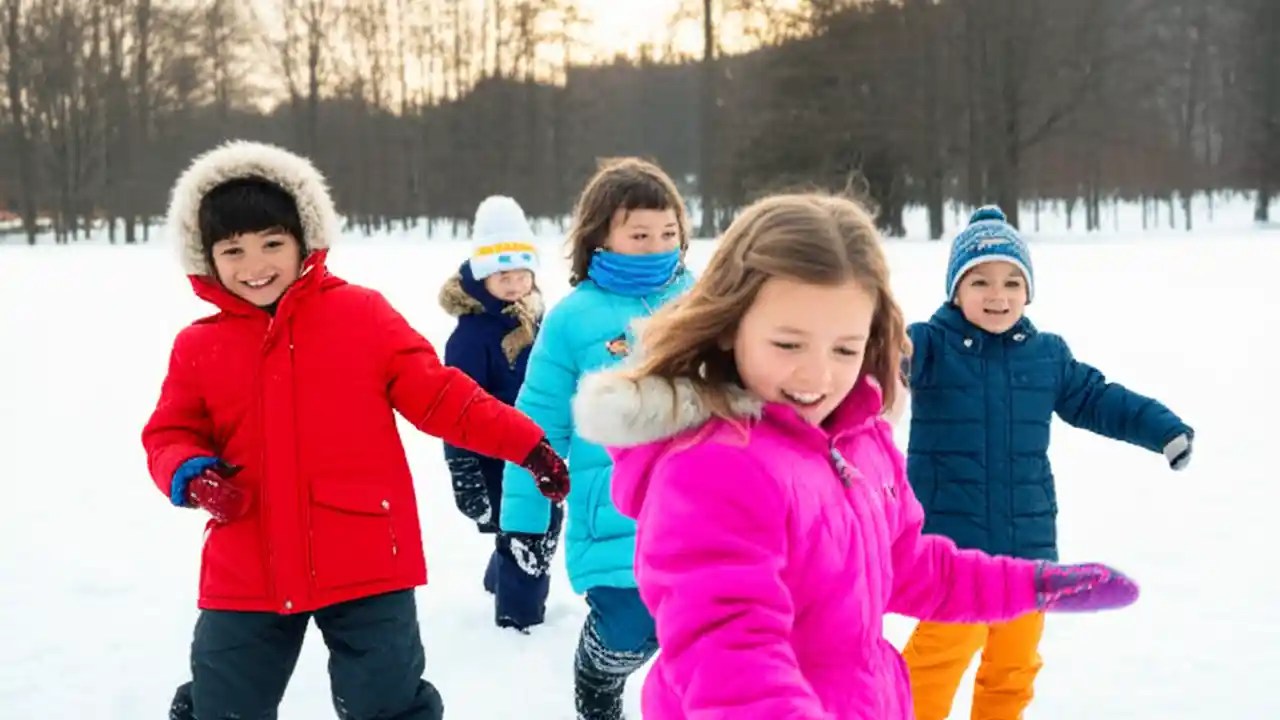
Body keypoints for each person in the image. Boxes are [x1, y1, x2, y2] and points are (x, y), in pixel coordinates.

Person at [570, 193, 1139, 719]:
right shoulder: (710, 470)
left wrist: (1030, 584)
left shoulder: (859, 441)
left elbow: (910, 567)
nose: (817, 376)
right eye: (788, 343)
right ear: (729, 327)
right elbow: (730, 657)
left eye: (845, 348)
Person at [141, 140, 568, 720]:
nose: (254, 265)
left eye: (272, 243)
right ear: (206, 257)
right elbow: (170, 433)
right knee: (224, 703)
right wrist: (190, 473)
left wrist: (527, 444)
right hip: (247, 559)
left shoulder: (360, 316)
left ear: (304, 240)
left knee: (385, 702)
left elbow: (442, 395)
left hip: (366, 553)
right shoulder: (199, 346)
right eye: (232, 250)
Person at [899, 205, 1193, 720]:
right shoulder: (929, 346)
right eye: (980, 281)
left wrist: (1162, 428)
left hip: (1028, 552)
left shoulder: (1046, 356)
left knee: (1013, 669)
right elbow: (871, 361)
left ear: (1028, 292)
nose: (998, 295)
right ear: (955, 291)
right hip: (953, 555)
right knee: (935, 664)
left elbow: (1098, 399)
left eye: (1013, 282)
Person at [499, 157, 695, 719]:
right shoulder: (572, 319)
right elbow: (537, 425)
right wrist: (525, 519)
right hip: (612, 516)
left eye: (668, 233)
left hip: (699, 507)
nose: (657, 247)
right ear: (599, 237)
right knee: (631, 626)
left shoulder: (705, 302)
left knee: (698, 632)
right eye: (640, 235)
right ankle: (598, 673)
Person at [439, 194, 555, 631]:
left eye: (522, 274)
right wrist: (463, 466)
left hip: (540, 445)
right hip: (496, 454)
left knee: (533, 524)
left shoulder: (536, 320)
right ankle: (518, 622)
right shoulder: (471, 336)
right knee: (529, 531)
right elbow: (455, 406)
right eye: (503, 275)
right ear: (482, 276)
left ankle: (500, 580)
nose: (514, 284)